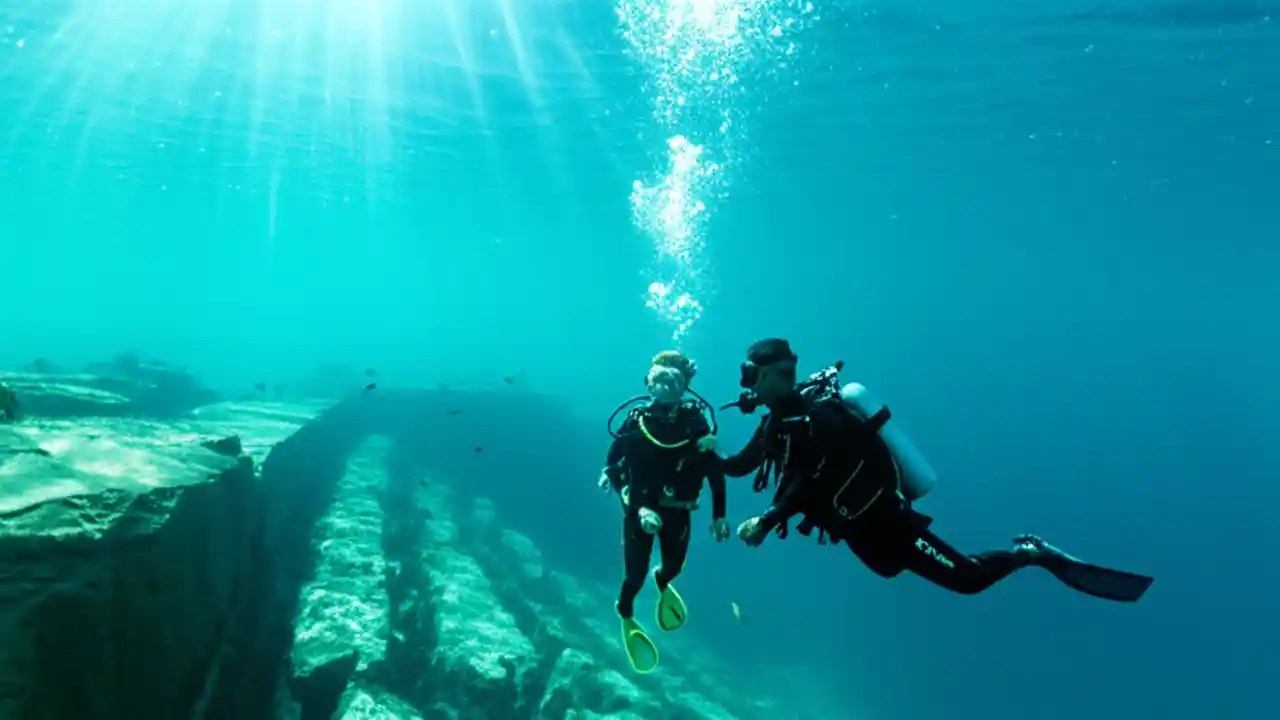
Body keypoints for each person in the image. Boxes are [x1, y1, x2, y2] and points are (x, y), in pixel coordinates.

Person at [724, 338, 1153, 603]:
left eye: (751, 373)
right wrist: (702, 451)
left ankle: (1031, 553)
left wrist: (768, 519)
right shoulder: (778, 423)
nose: (747, 383)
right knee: (913, 573)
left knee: (965, 578)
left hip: (885, 521)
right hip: (859, 529)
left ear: (770, 374)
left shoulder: (822, 418)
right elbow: (742, 465)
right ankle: (1028, 554)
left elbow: (805, 478)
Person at [600, 350, 731, 673]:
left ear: (685, 385)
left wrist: (719, 515)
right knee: (634, 575)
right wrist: (611, 475)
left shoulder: (696, 426)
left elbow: (715, 472)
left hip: (678, 511)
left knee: (672, 567)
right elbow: (617, 455)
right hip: (639, 511)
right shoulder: (636, 421)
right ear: (647, 382)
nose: (664, 386)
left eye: (672, 380)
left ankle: (663, 580)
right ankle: (626, 611)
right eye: (657, 379)